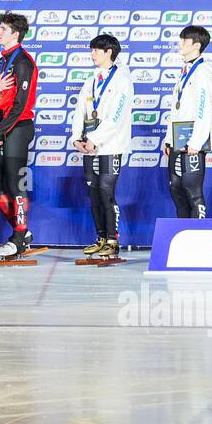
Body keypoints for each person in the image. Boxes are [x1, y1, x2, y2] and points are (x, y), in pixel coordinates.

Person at [72, 33, 134, 260]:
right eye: (91, 50)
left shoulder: (122, 81)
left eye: (96, 50)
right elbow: (80, 111)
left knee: (106, 192)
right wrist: (77, 138)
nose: (92, 54)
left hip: (110, 145)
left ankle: (112, 240)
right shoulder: (91, 80)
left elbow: (116, 117)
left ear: (109, 52)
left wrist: (95, 139)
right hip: (90, 146)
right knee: (94, 192)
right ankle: (100, 238)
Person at [0, 12, 38, 260]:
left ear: (15, 34)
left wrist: (0, 132)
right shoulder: (1, 62)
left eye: (3, 29)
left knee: (16, 185)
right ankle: (23, 230)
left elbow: (21, 104)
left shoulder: (23, 62)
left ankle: (18, 238)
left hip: (17, 128)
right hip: (2, 128)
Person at [162, 24, 212, 219]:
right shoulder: (186, 70)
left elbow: (204, 110)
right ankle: (182, 234)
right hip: (178, 140)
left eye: (184, 40)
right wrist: (169, 139)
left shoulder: (202, 72)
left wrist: (197, 141)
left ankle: (198, 236)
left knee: (193, 191)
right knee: (176, 189)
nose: (180, 43)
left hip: (192, 143)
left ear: (196, 45)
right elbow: (176, 110)